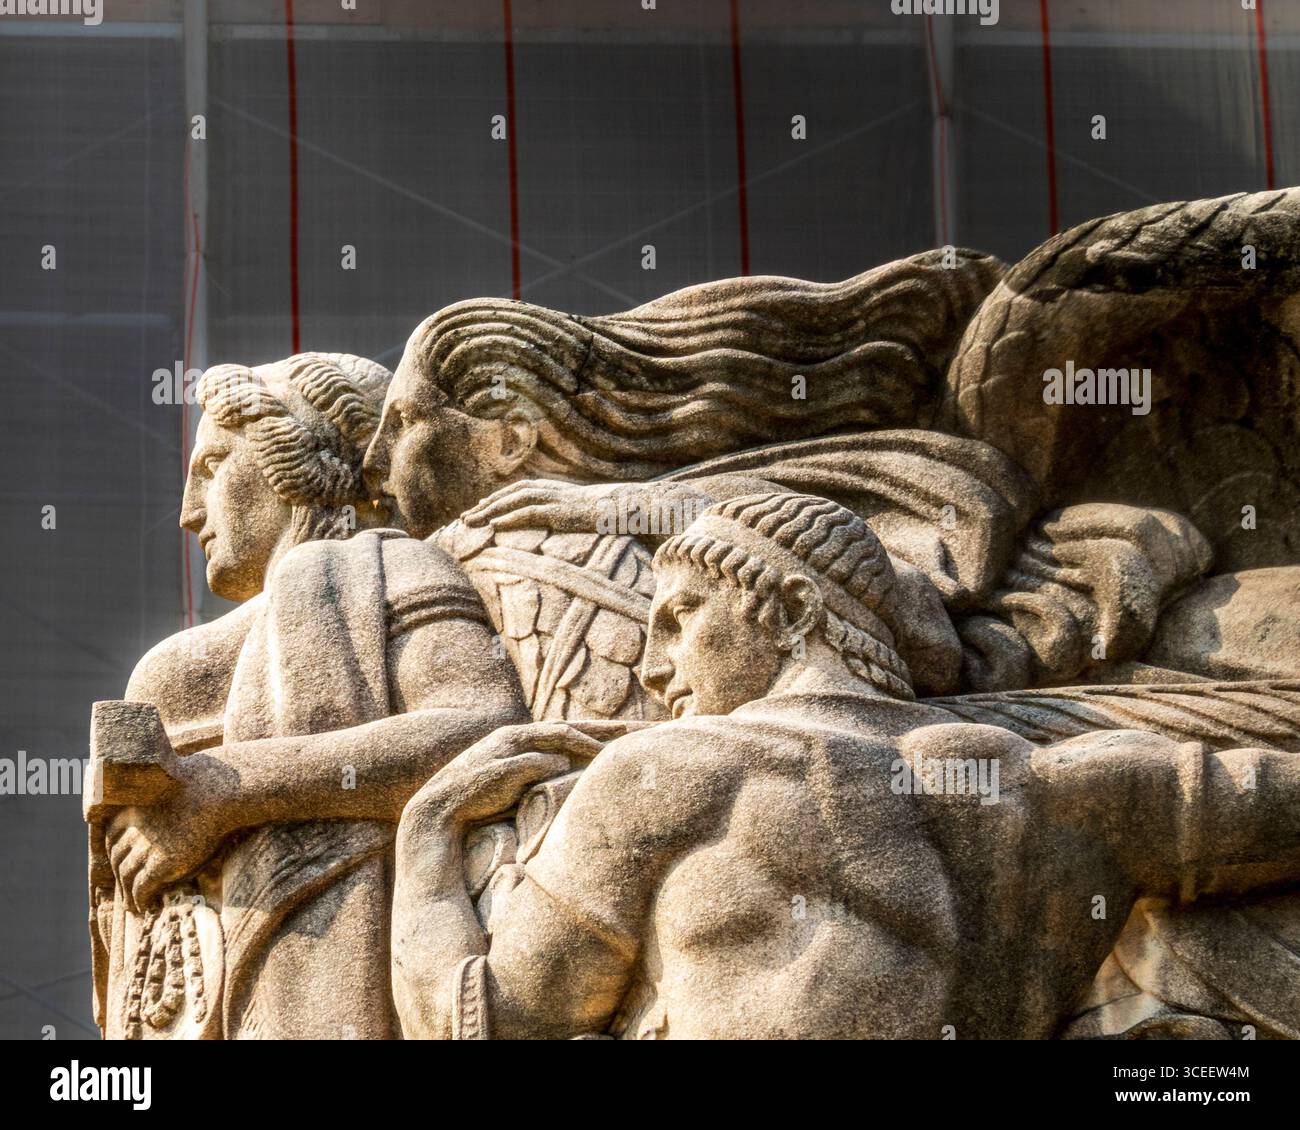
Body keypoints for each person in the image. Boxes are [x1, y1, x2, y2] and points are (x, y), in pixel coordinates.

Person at [391, 493, 1300, 1039]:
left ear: (789, 610)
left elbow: (495, 1022)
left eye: (680, 618)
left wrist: (426, 835)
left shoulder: (673, 773)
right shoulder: (1058, 783)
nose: (656, 665)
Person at [95, 353, 528, 1039]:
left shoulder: (388, 568)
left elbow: (481, 730)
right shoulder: (171, 669)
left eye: (212, 467)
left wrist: (229, 792)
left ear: (294, 459)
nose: (186, 514)